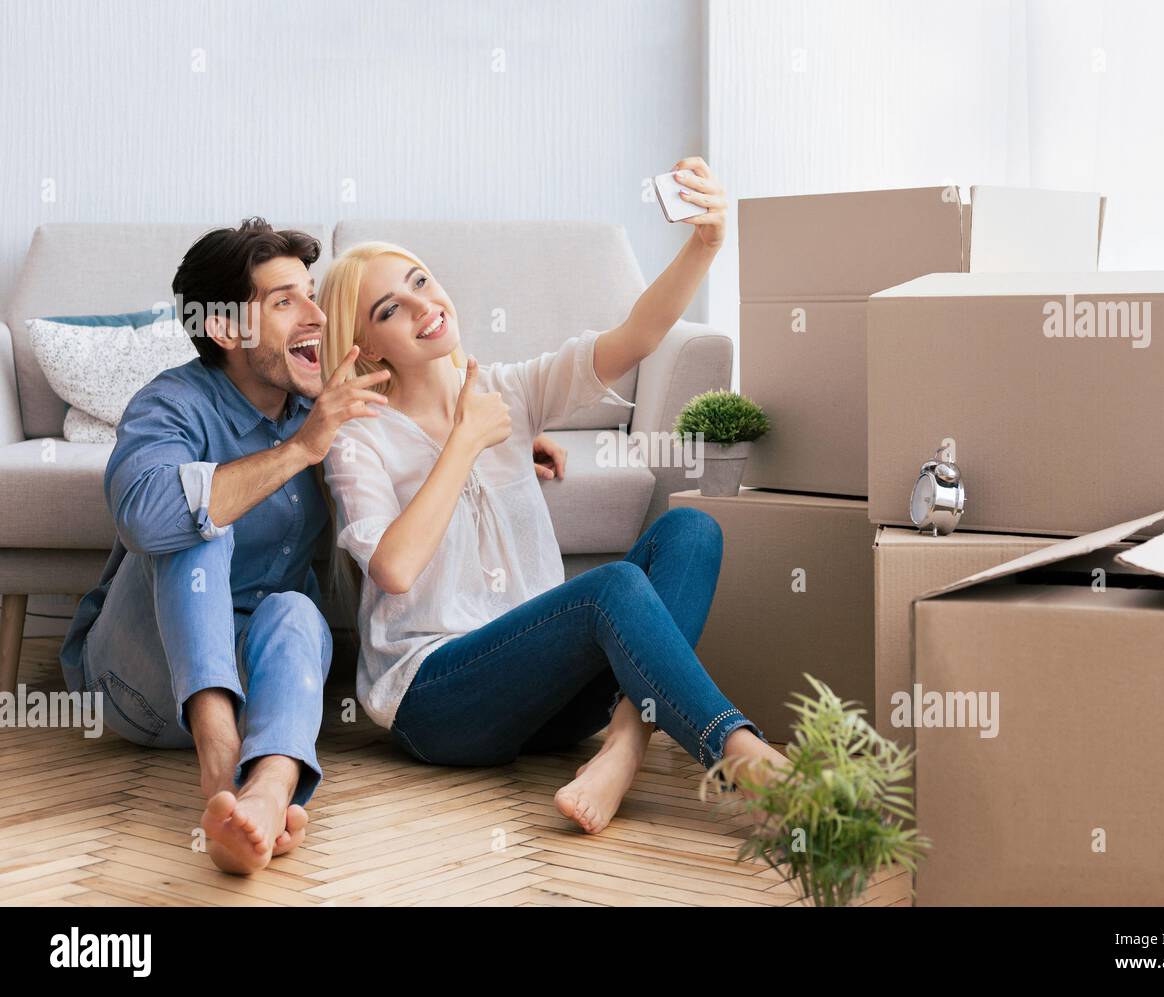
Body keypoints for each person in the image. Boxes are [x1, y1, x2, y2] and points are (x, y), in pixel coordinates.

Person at [58, 218, 570, 874]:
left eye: (311, 294)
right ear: (226, 329)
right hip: (141, 682)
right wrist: (298, 449)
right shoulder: (173, 403)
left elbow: (409, 422)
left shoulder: (325, 404)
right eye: (285, 302)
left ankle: (266, 799)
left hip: (260, 680)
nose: (317, 315)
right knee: (201, 516)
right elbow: (145, 515)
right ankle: (220, 767)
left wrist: (494, 448)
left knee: (297, 608)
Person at [318, 158, 790, 835]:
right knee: (612, 587)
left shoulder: (509, 389)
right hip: (439, 700)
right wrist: (465, 441)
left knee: (692, 531)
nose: (424, 305)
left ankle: (624, 748)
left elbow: (636, 338)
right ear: (366, 344)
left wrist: (706, 243)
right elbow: (392, 568)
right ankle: (740, 751)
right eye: (391, 308)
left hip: (549, 703)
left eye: (421, 282)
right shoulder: (361, 438)